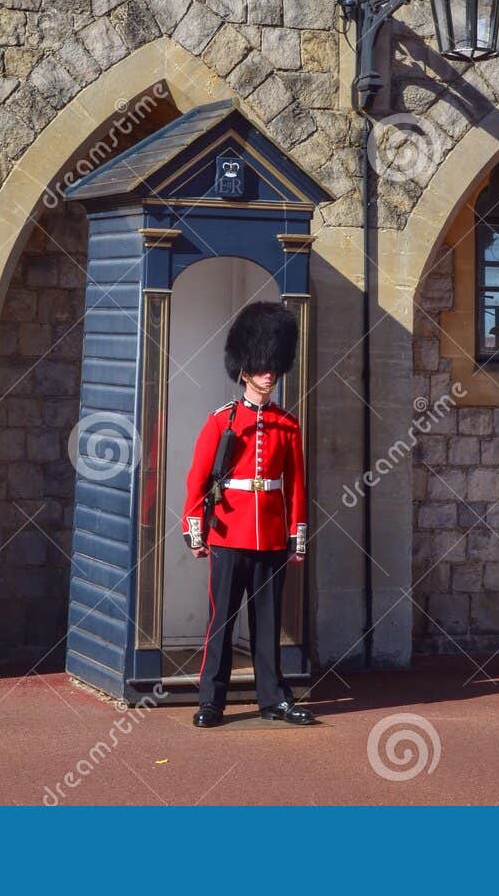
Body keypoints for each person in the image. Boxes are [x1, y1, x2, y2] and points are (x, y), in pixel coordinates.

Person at [182, 301, 316, 728]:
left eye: (271, 366)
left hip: (272, 535)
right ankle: (211, 701)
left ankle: (272, 698)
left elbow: (295, 484)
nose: (268, 374)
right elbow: (197, 479)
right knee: (221, 621)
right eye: (260, 367)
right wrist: (194, 529)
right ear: (245, 369)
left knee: (267, 622)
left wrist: (297, 535)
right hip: (227, 533)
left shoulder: (287, 425)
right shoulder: (221, 422)